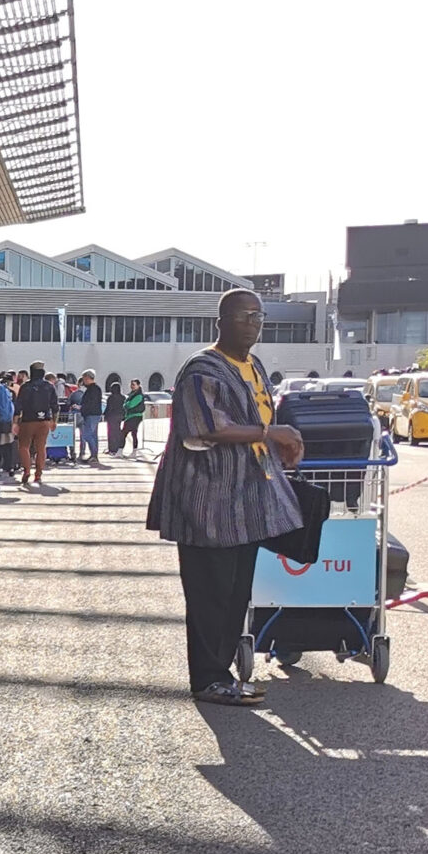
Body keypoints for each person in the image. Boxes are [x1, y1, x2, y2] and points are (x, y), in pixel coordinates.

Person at [146, 289, 305, 707]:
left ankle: (224, 673)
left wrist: (282, 443)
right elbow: (203, 427)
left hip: (246, 500)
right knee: (210, 593)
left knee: (236, 592)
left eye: (259, 315)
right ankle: (209, 678)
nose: (253, 323)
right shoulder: (203, 369)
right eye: (243, 315)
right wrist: (272, 434)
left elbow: (260, 420)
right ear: (222, 321)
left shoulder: (253, 366)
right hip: (207, 502)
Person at [14, 362, 60, 485]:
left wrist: (15, 422)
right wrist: (54, 421)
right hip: (44, 421)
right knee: (41, 448)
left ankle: (27, 470)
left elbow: (18, 406)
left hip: (27, 421)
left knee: (24, 446)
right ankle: (38, 474)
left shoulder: (25, 386)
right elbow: (55, 406)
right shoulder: (49, 386)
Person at [74, 370, 104, 466]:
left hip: (92, 414)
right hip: (93, 414)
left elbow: (90, 403)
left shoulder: (93, 389)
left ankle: (94, 455)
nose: (83, 381)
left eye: (84, 378)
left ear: (87, 378)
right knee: (93, 435)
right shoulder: (95, 389)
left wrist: (81, 407)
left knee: (87, 434)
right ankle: (94, 455)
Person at [104, 373, 129, 455]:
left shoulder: (111, 398)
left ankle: (112, 449)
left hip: (111, 416)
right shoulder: (123, 397)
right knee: (118, 431)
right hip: (120, 416)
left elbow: (109, 407)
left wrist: (105, 415)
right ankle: (118, 447)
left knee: (111, 432)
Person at [123, 380, 148, 455]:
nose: (132, 386)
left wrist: (126, 404)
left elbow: (130, 405)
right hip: (131, 416)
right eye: (131, 384)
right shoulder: (133, 394)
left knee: (124, 433)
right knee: (133, 433)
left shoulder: (138, 395)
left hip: (134, 416)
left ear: (138, 385)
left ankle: (121, 450)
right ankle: (134, 451)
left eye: (134, 384)